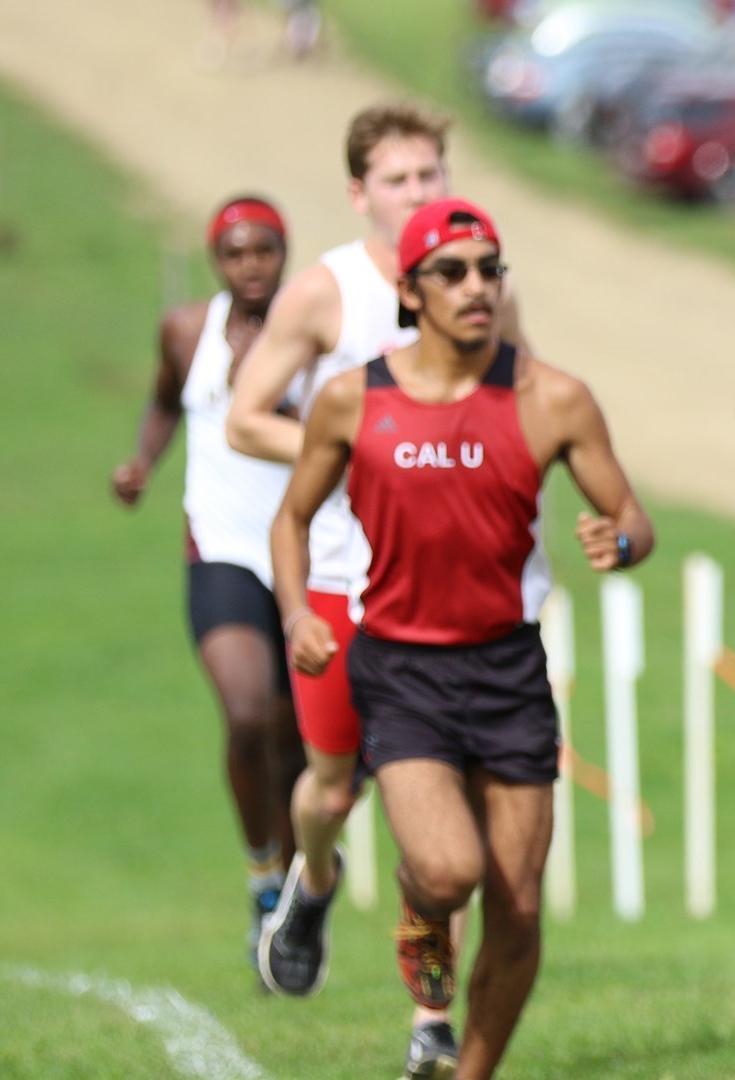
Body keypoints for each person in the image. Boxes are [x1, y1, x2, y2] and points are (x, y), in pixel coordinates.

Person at [272, 197, 654, 1080]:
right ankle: (420, 910)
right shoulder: (351, 399)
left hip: (509, 670)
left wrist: (622, 543)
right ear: (410, 292)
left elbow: (633, 517)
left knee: (518, 910)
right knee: (448, 872)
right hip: (401, 669)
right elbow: (290, 520)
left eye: (490, 268)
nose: (476, 286)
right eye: (451, 272)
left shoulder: (552, 396)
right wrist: (296, 613)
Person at [229, 101, 523, 1077]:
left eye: (431, 175)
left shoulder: (479, 285)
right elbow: (243, 417)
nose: (417, 193)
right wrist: (356, 449)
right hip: (342, 584)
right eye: (398, 180)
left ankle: (430, 1017)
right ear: (360, 193)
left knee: (448, 821)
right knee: (328, 788)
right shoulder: (324, 293)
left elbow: (523, 407)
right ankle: (313, 880)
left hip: (456, 601)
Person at [111, 195, 305, 971]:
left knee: (296, 746)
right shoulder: (186, 331)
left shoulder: (315, 332)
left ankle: (297, 900)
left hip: (306, 555)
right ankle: (263, 875)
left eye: (265, 250)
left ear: (285, 253)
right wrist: (141, 463)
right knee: (246, 716)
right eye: (235, 252)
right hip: (220, 546)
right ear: (215, 260)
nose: (251, 265)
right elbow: (165, 402)